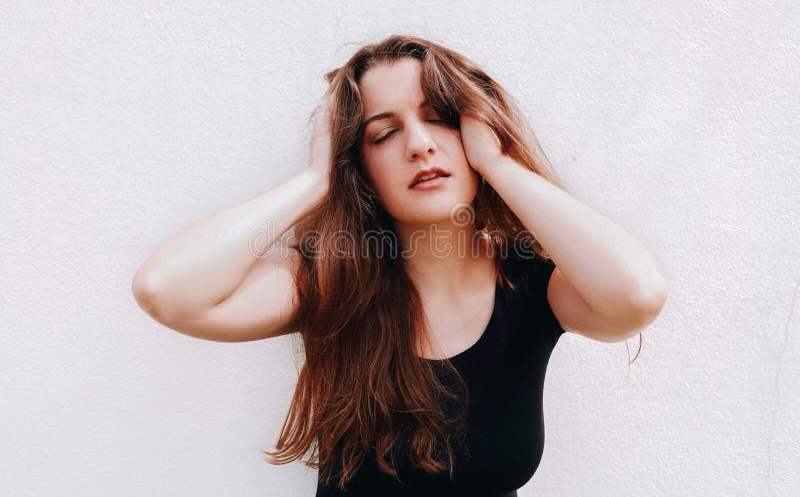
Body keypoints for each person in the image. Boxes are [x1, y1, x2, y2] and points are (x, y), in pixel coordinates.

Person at [132, 35, 667, 496]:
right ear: (359, 168)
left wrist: (499, 164)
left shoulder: (531, 284)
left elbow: (637, 295)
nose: (418, 145)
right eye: (383, 133)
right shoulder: (327, 281)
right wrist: (317, 181)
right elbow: (166, 289)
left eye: (439, 119)